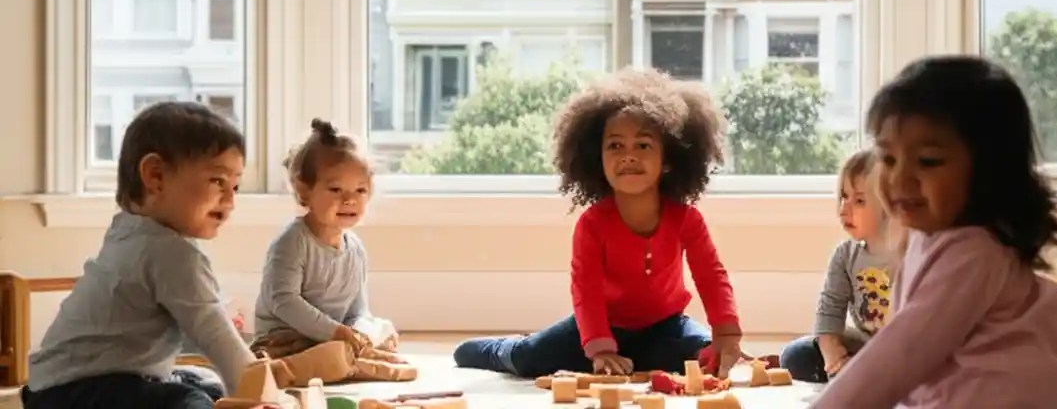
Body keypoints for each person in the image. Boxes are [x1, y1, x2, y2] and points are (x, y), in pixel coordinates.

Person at [813, 55, 1057, 409]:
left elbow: (902, 352)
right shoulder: (927, 235)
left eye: (928, 162)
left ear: (989, 170)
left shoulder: (974, 252)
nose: (900, 179)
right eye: (888, 160)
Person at [452, 68, 744, 378]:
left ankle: (634, 357)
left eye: (643, 145)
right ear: (597, 159)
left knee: (703, 358)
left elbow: (711, 275)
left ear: (669, 160)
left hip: (667, 326)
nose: (628, 156)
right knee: (531, 360)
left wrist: (726, 333)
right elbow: (585, 291)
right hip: (598, 326)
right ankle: (505, 349)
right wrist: (600, 349)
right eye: (615, 146)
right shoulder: (593, 224)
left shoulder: (687, 219)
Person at [22, 102, 255, 409]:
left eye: (235, 186)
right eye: (217, 181)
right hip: (83, 391)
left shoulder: (129, 231)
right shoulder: (173, 253)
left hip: (53, 388)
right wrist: (263, 393)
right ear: (155, 176)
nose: (230, 200)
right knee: (191, 399)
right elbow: (216, 336)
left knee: (199, 380)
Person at [252, 118, 399, 359]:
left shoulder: (356, 250)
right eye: (336, 190)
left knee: (378, 330)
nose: (350, 199)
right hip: (285, 338)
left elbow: (357, 310)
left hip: (332, 339)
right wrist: (335, 332)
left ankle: (352, 356)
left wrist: (358, 333)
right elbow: (284, 301)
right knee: (309, 359)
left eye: (360, 190)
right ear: (304, 191)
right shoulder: (292, 242)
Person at [779, 149, 893, 383]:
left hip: (909, 351)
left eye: (859, 200)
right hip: (866, 346)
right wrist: (833, 358)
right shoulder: (845, 255)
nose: (844, 209)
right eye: (843, 197)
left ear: (891, 205)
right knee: (795, 355)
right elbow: (830, 310)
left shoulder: (915, 253)